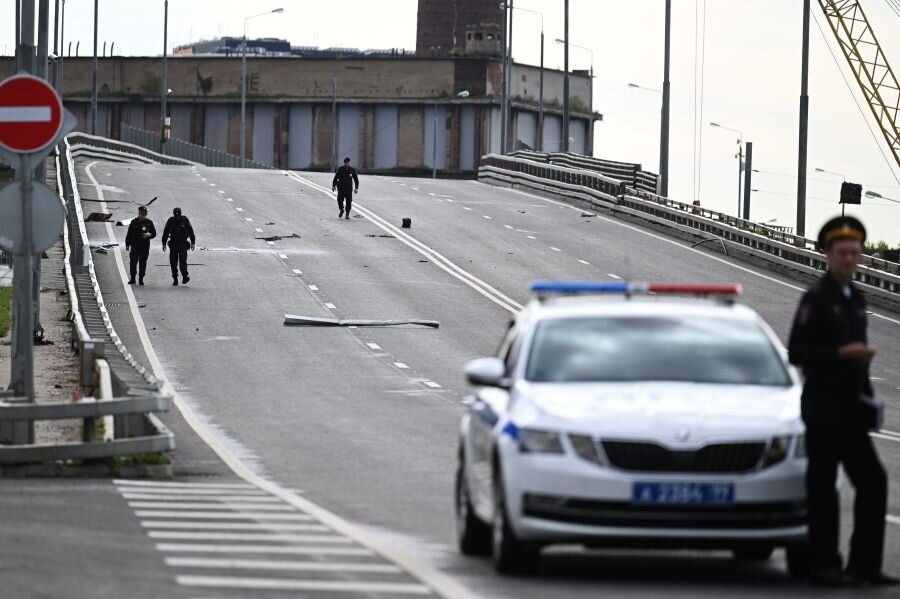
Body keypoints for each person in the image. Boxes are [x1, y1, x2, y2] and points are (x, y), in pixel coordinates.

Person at [788, 216, 896, 588]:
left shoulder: (856, 300)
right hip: (822, 408)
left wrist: (868, 401)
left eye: (855, 253)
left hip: (850, 409)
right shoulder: (816, 299)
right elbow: (798, 353)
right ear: (828, 255)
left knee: (873, 482)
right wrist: (841, 353)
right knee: (824, 487)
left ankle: (864, 566)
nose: (850, 259)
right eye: (843, 253)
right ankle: (824, 565)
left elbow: (858, 362)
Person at [161, 207, 195, 286]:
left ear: (180, 214)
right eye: (176, 215)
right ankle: (175, 278)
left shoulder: (185, 220)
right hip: (173, 244)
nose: (177, 217)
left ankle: (184, 276)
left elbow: (190, 231)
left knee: (183, 260)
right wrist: (163, 244)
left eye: (178, 215)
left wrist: (193, 242)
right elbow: (165, 233)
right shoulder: (170, 221)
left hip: (182, 244)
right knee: (173, 262)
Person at [125, 205, 156, 285]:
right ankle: (133, 278)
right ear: (139, 214)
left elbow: (154, 233)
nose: (143, 216)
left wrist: (149, 234)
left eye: (145, 214)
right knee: (133, 262)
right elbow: (129, 234)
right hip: (135, 246)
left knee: (143, 263)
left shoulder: (149, 222)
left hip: (144, 246)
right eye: (142, 214)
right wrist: (127, 244)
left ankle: (141, 278)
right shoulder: (134, 222)